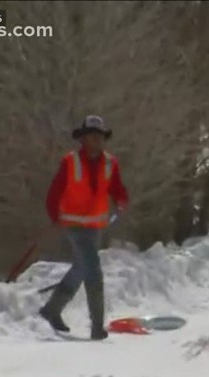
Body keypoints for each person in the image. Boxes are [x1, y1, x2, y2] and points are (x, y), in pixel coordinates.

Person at [38, 115, 129, 340]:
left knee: (81, 268)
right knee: (93, 272)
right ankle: (97, 327)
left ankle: (51, 310)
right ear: (83, 139)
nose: (95, 141)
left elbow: (117, 188)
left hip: (95, 226)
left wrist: (121, 202)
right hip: (73, 225)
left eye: (99, 137)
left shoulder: (110, 163)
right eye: (91, 137)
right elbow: (54, 193)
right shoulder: (70, 162)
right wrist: (54, 216)